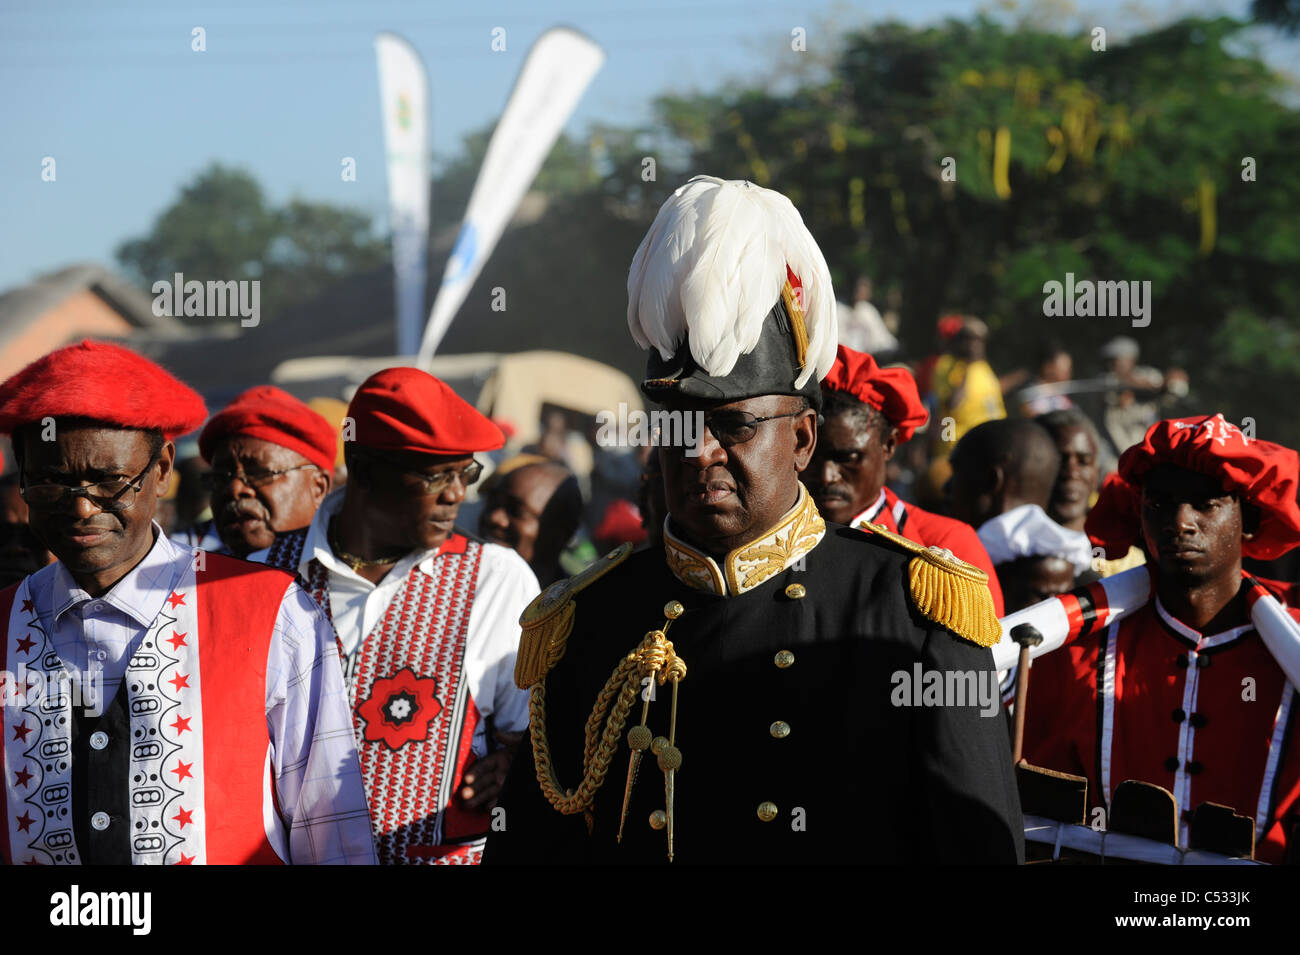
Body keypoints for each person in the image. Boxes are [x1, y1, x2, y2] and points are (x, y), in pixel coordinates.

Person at [485, 175, 1023, 865]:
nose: (698, 450)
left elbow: (977, 848)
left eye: (733, 425)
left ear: (802, 439)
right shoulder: (590, 617)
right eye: (677, 424)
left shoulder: (909, 611)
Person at [0, 340, 375, 865]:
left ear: (162, 470)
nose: (81, 507)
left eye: (110, 482)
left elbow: (334, 834)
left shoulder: (272, 614)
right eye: (50, 483)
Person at [260, 367, 540, 865]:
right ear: (364, 470)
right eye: (436, 476)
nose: (457, 494)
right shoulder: (263, 574)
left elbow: (534, 737)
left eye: (466, 473)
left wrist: (515, 764)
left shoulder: (493, 579)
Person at [1023, 414, 1300, 863]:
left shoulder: (1291, 652)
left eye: (1205, 504)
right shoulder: (1075, 655)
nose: (1180, 522)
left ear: (1246, 519)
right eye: (1160, 504)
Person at [806, 344, 1005, 615]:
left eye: (848, 457)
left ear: (888, 445)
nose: (827, 475)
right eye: (813, 457)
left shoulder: (948, 546)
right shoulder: (765, 537)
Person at [175, 385, 335, 558]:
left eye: (259, 474)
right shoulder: (182, 564)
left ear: (319, 487)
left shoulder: (353, 573)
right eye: (220, 478)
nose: (235, 489)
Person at [478, 454, 583, 587]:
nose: (494, 517)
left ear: (563, 532)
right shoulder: (455, 582)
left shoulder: (573, 604)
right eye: (492, 501)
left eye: (516, 511)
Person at [945, 418, 1061, 532]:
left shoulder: (960, 547)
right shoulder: (1073, 548)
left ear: (991, 481)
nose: (945, 486)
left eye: (957, 472)